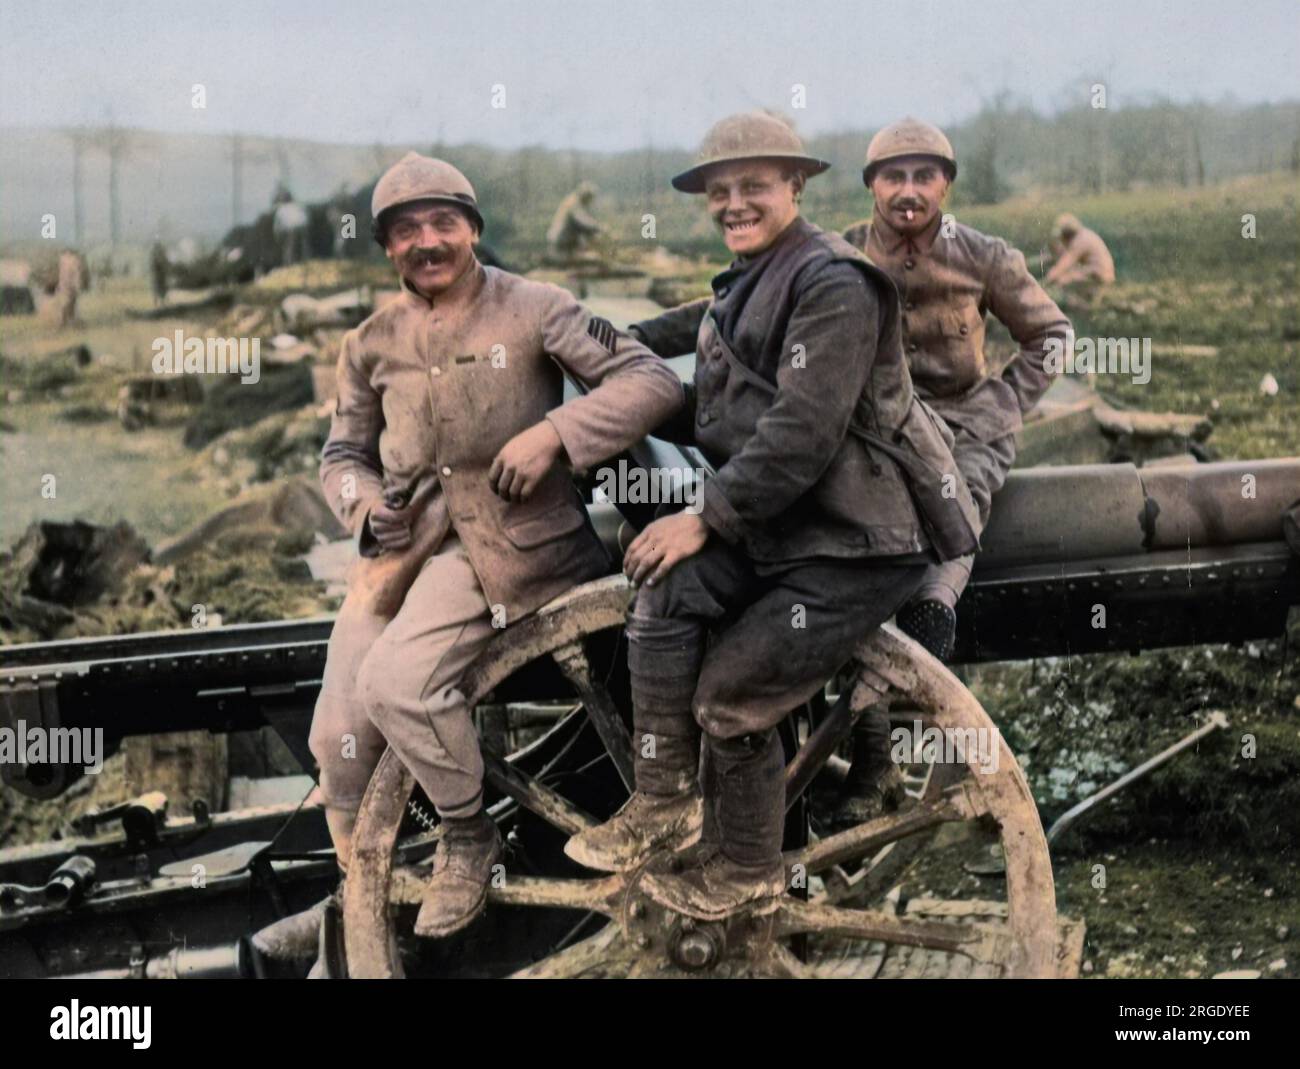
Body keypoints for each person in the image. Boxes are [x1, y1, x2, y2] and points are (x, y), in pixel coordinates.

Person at [254, 152, 682, 963]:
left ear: (473, 229)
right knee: (336, 743)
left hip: (510, 554)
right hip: (400, 556)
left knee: (397, 685)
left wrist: (555, 433)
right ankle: (370, 917)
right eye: (406, 230)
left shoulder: (537, 308)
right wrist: (361, 502)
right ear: (386, 247)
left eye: (443, 223)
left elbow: (651, 380)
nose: (427, 241)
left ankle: (466, 836)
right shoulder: (370, 342)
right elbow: (341, 453)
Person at [563, 112, 978, 919]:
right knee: (665, 583)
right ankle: (664, 800)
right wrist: (585, 367)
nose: (734, 204)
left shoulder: (833, 282)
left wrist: (703, 515)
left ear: (795, 185)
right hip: (784, 527)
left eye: (754, 186)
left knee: (730, 692)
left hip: (853, 541)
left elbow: (799, 434)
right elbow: (716, 408)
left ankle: (749, 869)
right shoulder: (746, 280)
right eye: (720, 192)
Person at [833, 118, 1072, 825]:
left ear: (946, 184)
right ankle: (874, 761)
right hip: (878, 430)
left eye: (924, 176)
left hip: (967, 424)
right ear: (872, 185)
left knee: (953, 512)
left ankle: (933, 611)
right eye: (893, 177)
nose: (908, 192)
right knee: (852, 550)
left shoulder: (985, 255)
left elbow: (1052, 333)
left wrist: (1004, 399)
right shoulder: (841, 253)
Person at [1044, 212, 1115, 294]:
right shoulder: (1083, 235)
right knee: (1066, 277)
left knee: (1063, 280)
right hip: (1098, 273)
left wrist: (1047, 280)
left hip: (1099, 275)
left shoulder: (1080, 242)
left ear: (1067, 234)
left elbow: (1064, 264)